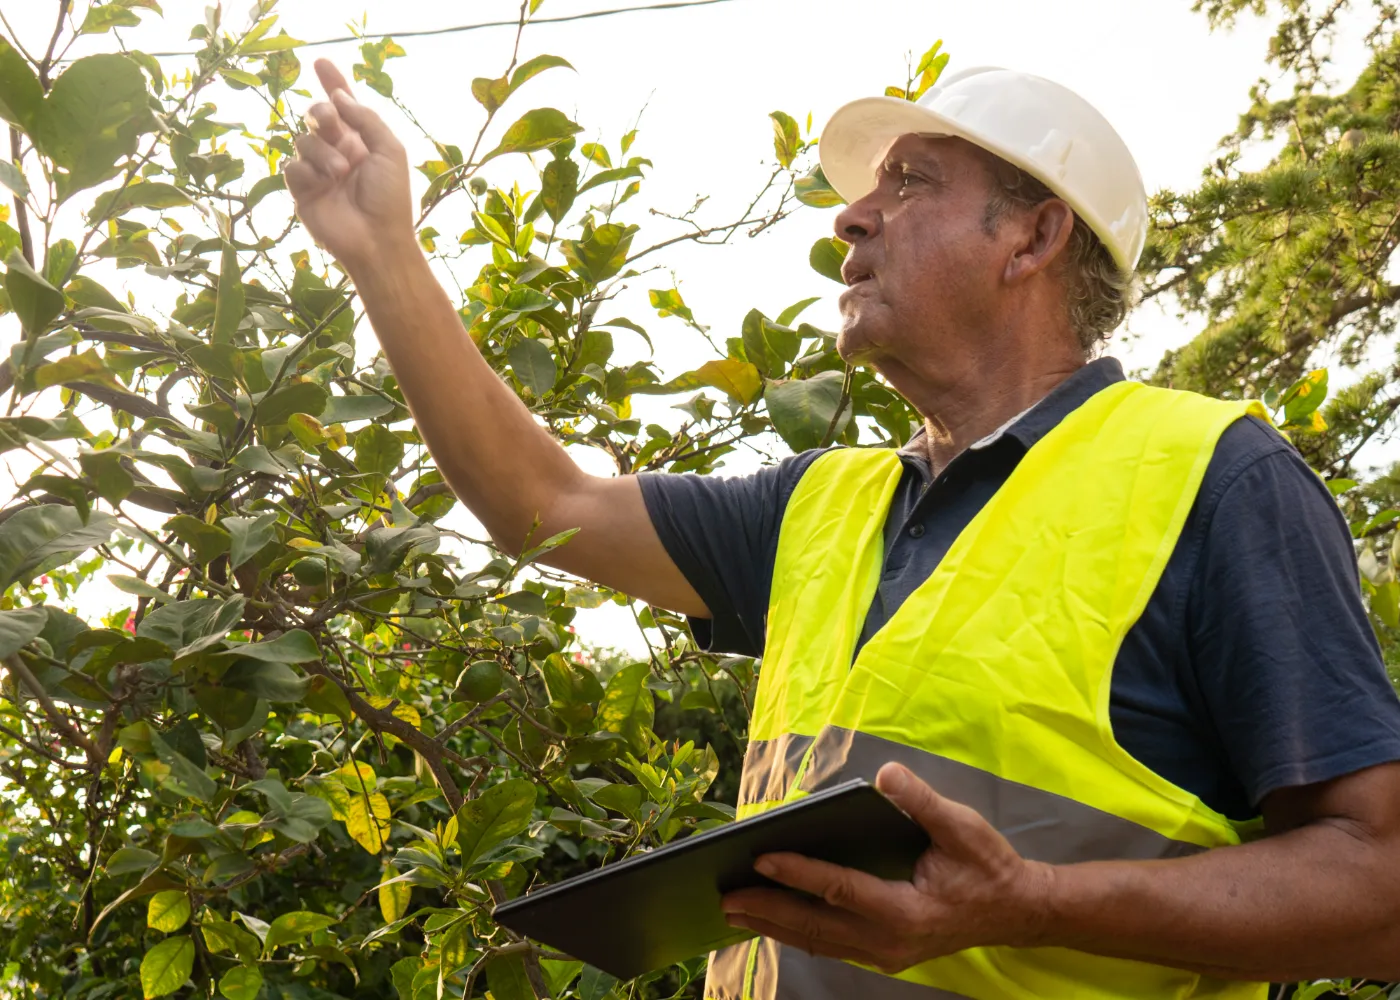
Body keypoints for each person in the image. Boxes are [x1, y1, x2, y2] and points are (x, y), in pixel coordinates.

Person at [287, 57, 1400, 999]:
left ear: (1032, 237)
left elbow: (1378, 889)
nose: (850, 215)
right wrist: (384, 255)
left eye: (909, 182)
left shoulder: (1211, 477)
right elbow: (549, 507)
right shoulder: (818, 508)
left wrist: (1030, 904)